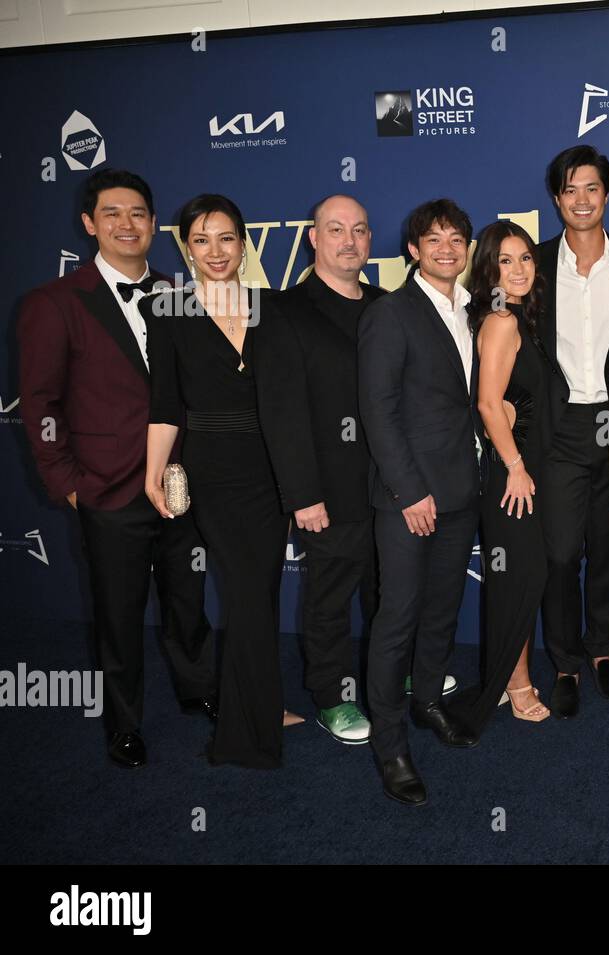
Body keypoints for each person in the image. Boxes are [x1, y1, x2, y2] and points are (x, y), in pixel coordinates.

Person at [17, 169, 216, 769]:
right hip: (108, 491)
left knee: (188, 600)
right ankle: (124, 724)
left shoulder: (179, 295)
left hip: (181, 485)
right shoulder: (53, 304)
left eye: (138, 214)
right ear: (89, 224)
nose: (127, 225)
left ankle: (198, 689)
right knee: (118, 615)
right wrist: (70, 486)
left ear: (155, 224)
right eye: (112, 214)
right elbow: (40, 406)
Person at [142, 193, 287, 769]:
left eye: (226, 238)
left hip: (274, 467)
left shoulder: (271, 308)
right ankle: (245, 734)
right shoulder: (169, 310)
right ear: (186, 248)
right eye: (201, 240)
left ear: (244, 242)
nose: (215, 251)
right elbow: (164, 404)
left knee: (263, 593)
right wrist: (155, 471)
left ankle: (261, 705)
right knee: (247, 594)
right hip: (215, 471)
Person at [358, 199, 480, 806]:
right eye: (434, 239)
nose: (447, 248)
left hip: (461, 489)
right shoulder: (392, 313)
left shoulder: (472, 309)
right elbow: (377, 410)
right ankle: (390, 745)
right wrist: (409, 492)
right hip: (408, 496)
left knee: (441, 612)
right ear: (412, 250)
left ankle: (429, 699)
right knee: (396, 620)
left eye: (457, 238)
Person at [255, 195, 384, 745]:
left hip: (391, 485)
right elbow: (281, 412)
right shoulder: (284, 311)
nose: (348, 241)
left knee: (391, 592)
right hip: (327, 490)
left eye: (358, 229)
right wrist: (303, 494)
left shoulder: (387, 304)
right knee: (330, 599)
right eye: (335, 230)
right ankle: (333, 696)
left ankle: (388, 678)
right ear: (314, 238)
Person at [535, 145, 609, 717]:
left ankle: (602, 649)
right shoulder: (532, 262)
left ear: (607, 195)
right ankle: (563, 661)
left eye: (592, 188)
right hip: (557, 426)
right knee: (558, 554)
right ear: (557, 199)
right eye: (570, 189)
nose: (582, 199)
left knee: (608, 547)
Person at [454, 221, 565, 733]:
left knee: (522, 579)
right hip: (511, 474)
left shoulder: (522, 317)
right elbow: (487, 402)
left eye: (525, 258)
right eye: (506, 261)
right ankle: (515, 685)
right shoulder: (501, 321)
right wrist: (516, 467)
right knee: (519, 582)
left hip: (529, 466)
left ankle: (504, 679)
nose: (519, 269)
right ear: (489, 269)